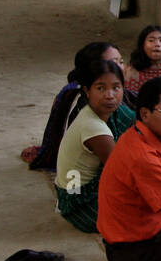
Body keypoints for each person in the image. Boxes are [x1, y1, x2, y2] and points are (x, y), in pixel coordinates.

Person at [97, 77, 161, 261]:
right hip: (137, 254)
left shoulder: (137, 134)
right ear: (145, 114)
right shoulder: (142, 156)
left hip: (127, 242)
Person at [22, 41, 131, 168]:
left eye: (121, 62)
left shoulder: (112, 99)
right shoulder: (89, 114)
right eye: (113, 62)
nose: (120, 68)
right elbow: (118, 166)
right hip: (82, 181)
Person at [54, 60, 126, 233]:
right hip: (78, 200)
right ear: (87, 91)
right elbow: (125, 170)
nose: (110, 95)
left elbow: (138, 124)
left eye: (116, 87)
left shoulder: (107, 112)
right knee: (141, 215)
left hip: (74, 188)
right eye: (100, 88)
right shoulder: (93, 127)